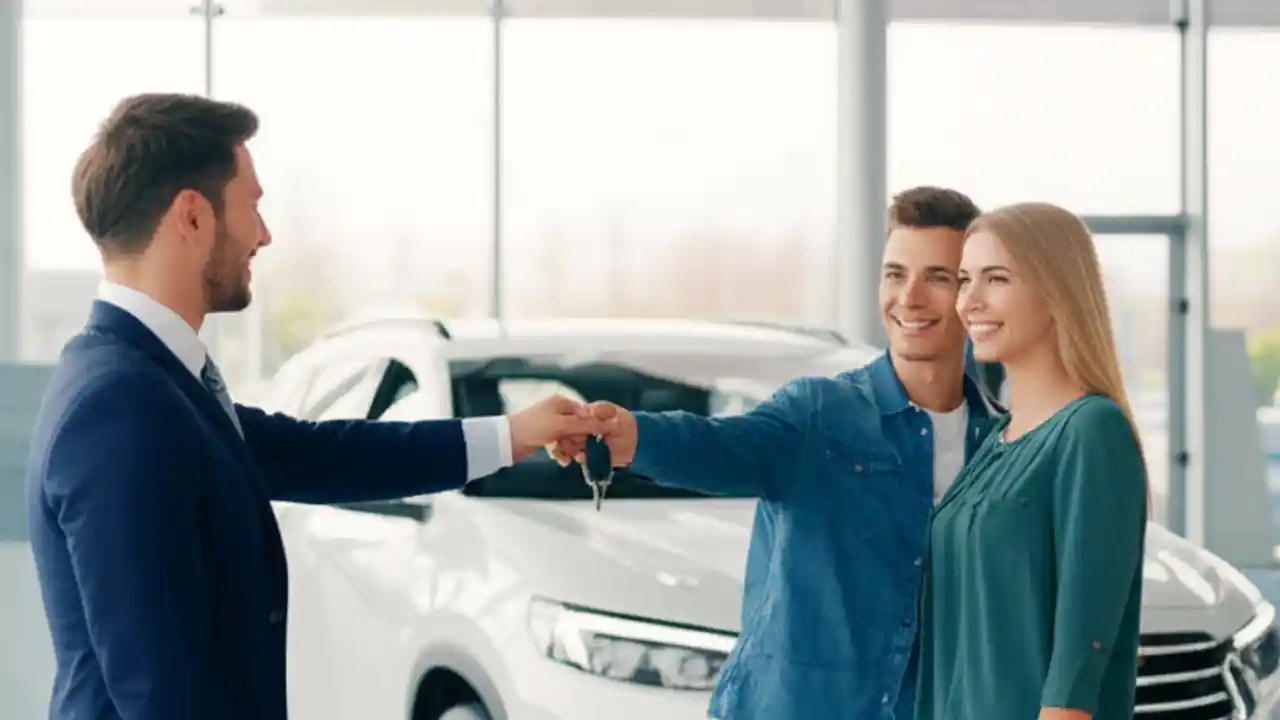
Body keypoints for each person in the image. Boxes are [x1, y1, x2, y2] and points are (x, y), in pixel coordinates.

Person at [24, 93, 599, 720]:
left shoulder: (151, 384)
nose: (264, 235)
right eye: (253, 206)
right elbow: (161, 693)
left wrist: (513, 433)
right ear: (192, 217)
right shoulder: (121, 407)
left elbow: (326, 453)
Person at [554, 187, 1001, 719]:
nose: (908, 297)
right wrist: (633, 435)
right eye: (895, 274)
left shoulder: (1002, 444)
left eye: (937, 277)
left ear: (973, 296)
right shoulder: (820, 414)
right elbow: (721, 446)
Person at [915, 202, 1147, 720]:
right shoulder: (997, 442)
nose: (968, 301)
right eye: (964, 280)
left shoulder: (1091, 431)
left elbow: (1079, 650)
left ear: (1057, 291)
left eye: (995, 279)